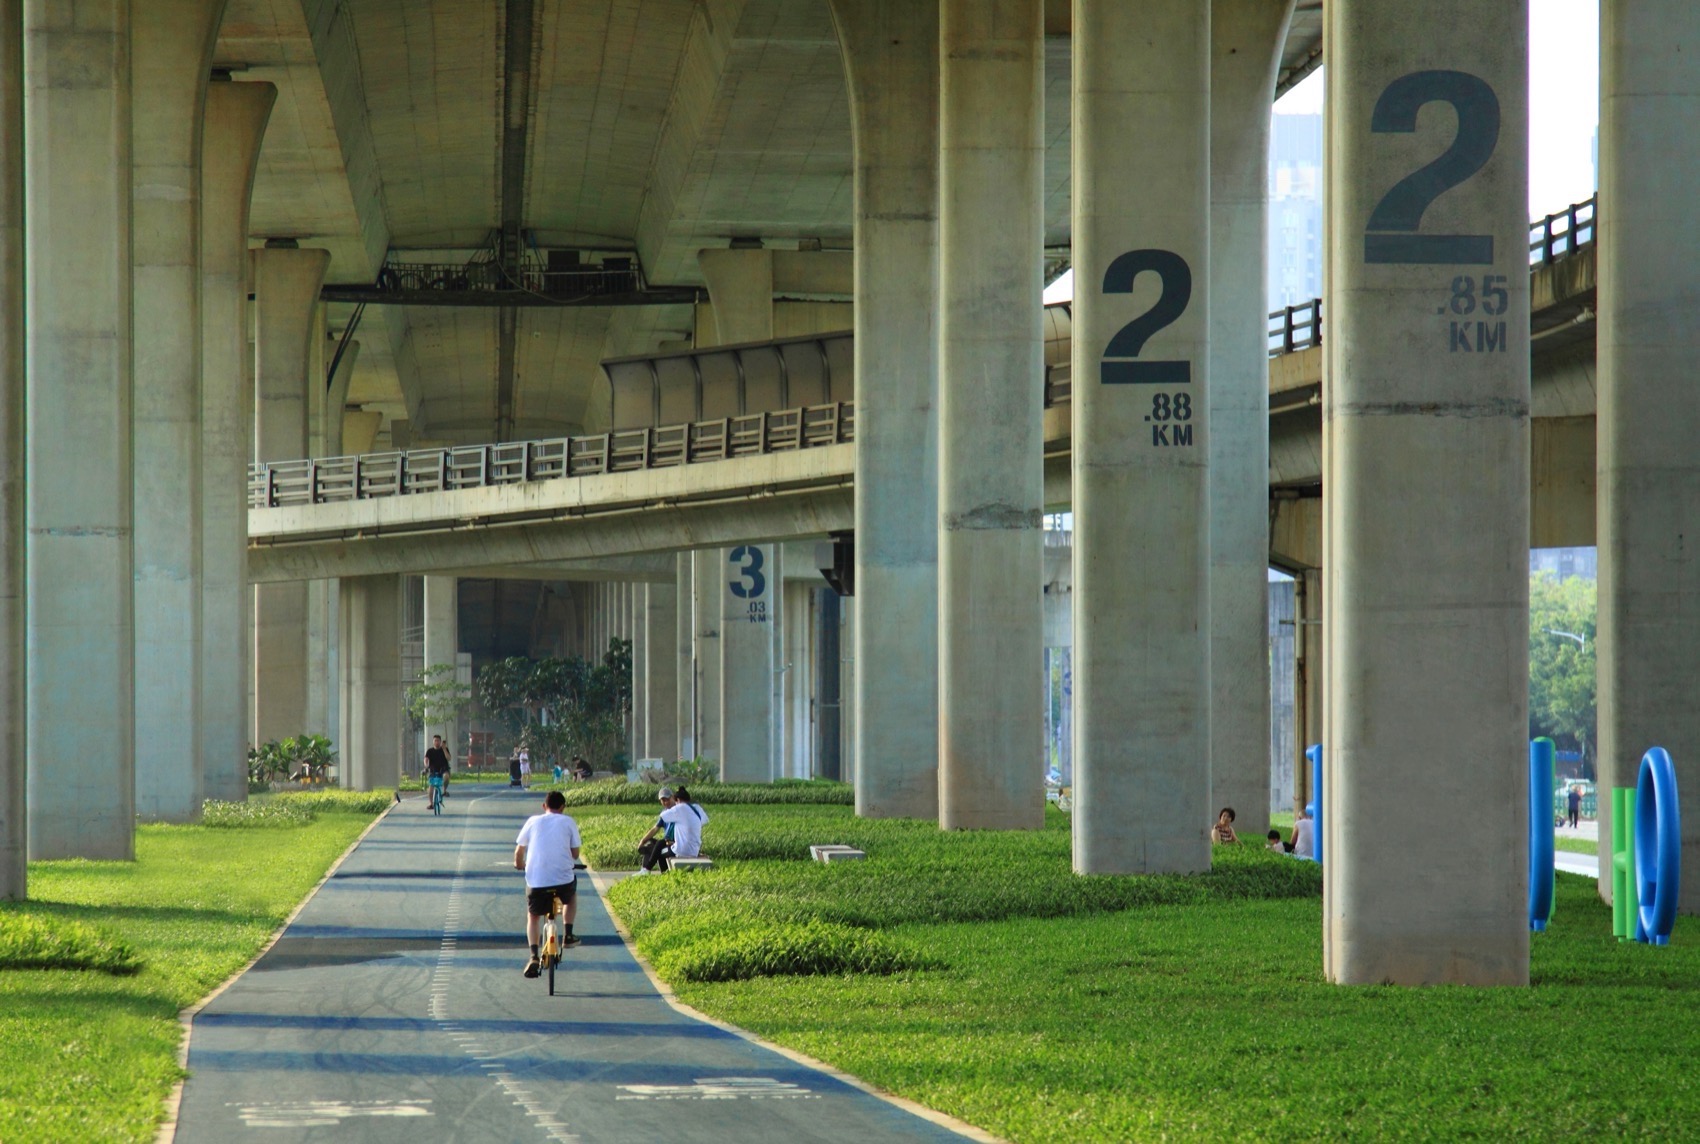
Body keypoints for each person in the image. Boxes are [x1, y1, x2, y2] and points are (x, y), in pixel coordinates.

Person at [514, 789, 583, 977]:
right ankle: (568, 934)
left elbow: (519, 853)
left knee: (533, 916)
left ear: (544, 806)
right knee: (570, 898)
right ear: (563, 807)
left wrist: (519, 865)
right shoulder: (568, 821)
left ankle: (533, 956)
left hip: (536, 881)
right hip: (563, 880)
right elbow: (575, 854)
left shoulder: (533, 821)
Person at [424, 734, 452, 804]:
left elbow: (449, 758)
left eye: (438, 741)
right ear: (433, 741)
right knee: (431, 788)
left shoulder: (445, 749)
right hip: (433, 770)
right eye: (435, 741)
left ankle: (444, 791)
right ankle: (431, 804)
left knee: (446, 776)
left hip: (443, 769)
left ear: (440, 742)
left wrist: (444, 748)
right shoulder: (430, 751)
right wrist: (426, 766)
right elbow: (426, 759)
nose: (437, 742)